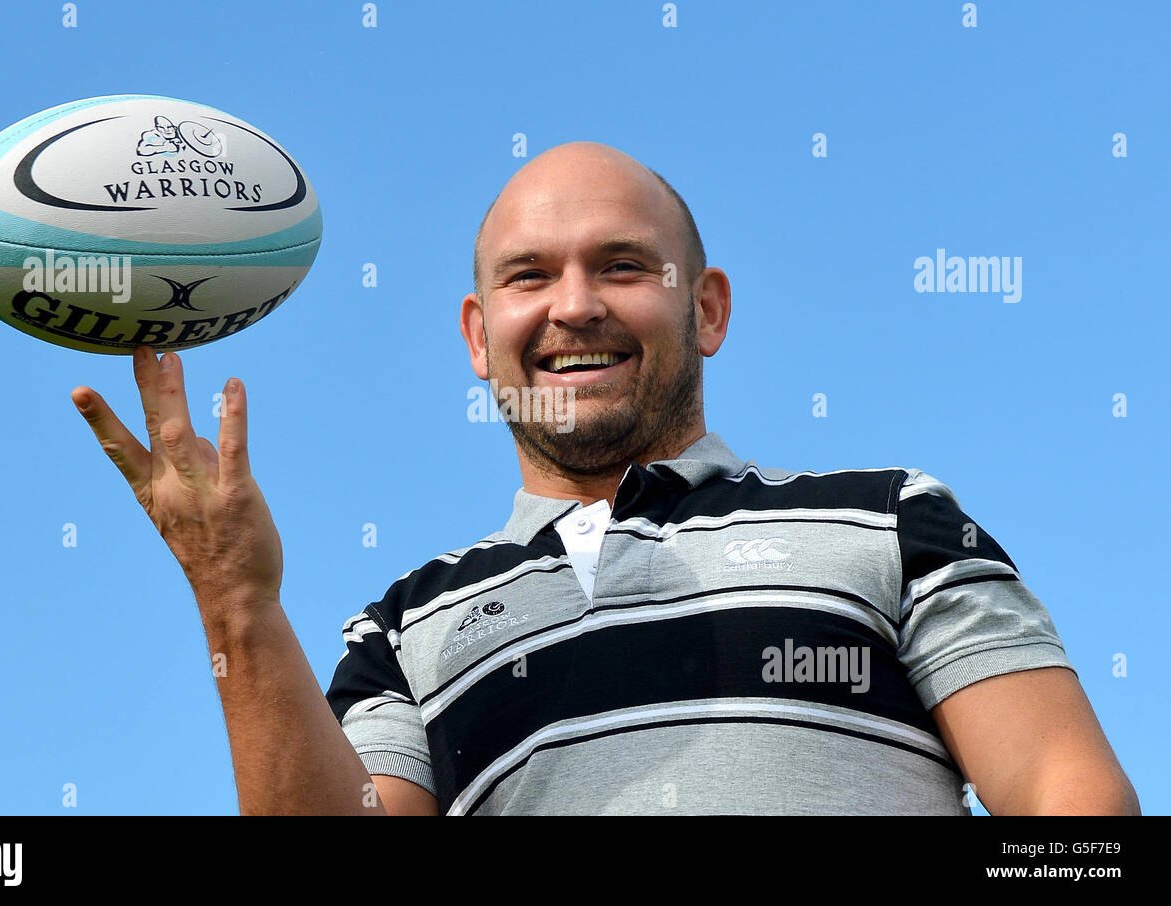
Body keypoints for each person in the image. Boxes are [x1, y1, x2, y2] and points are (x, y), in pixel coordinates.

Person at [70, 142, 1140, 816]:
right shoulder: (402, 628)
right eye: (529, 276)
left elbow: (1069, 799)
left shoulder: (889, 520)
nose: (573, 305)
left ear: (705, 308)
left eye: (621, 266)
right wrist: (234, 599)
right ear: (478, 338)